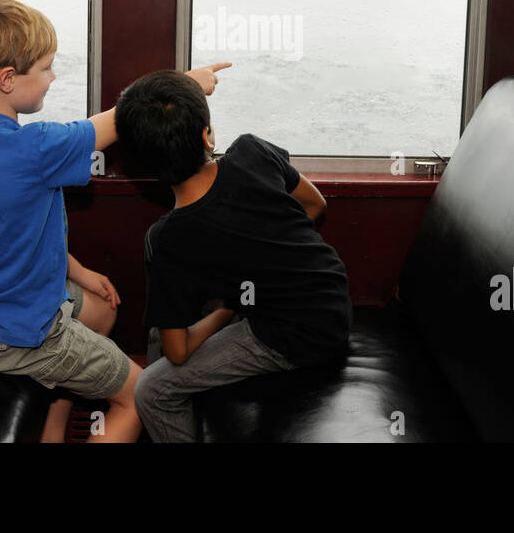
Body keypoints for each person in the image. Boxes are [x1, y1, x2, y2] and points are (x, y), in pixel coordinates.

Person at [0, 0, 226, 442]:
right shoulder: (35, 149)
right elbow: (126, 118)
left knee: (101, 307)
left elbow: (11, 238)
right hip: (15, 332)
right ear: (8, 79)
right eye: (46, 67)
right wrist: (186, 84)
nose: (52, 78)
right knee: (144, 395)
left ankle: (52, 432)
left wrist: (80, 272)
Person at [115, 69, 352, 443]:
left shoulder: (169, 239)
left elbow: (179, 353)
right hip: (331, 296)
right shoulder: (252, 151)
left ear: (145, 165)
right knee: (161, 335)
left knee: (153, 390)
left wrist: (227, 309)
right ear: (208, 135)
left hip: (297, 336)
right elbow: (314, 203)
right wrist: (269, 255)